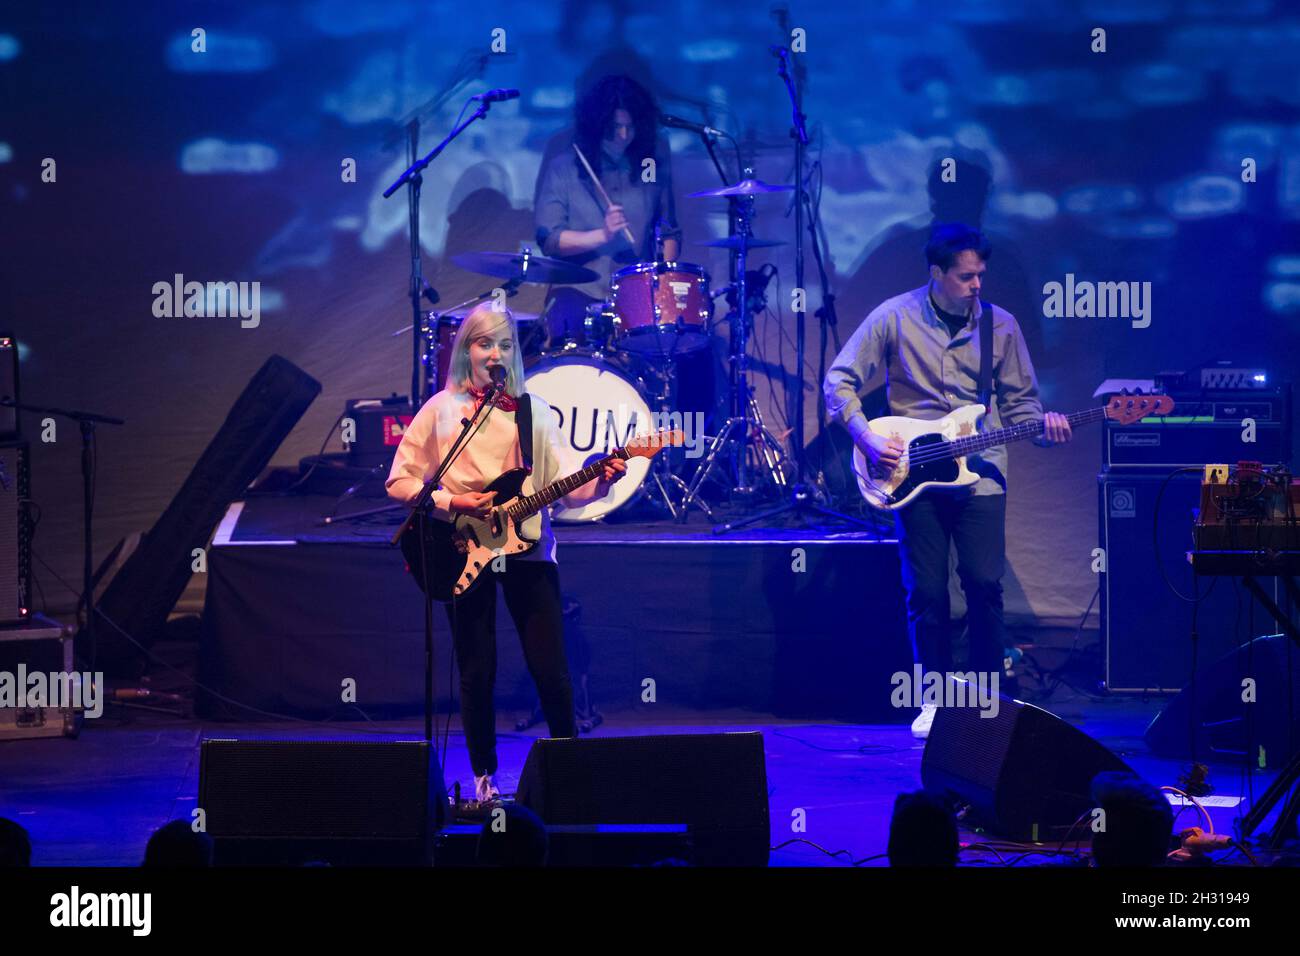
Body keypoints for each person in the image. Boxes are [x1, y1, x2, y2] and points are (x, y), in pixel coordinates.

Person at [824, 223, 1072, 740]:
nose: (977, 285)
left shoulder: (1000, 327)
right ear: (936, 274)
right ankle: (934, 699)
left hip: (980, 470)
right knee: (929, 594)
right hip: (911, 474)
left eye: (980, 275)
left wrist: (1046, 429)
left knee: (984, 585)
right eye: (965, 277)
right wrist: (867, 438)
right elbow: (838, 380)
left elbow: (1023, 406)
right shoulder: (893, 316)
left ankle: (987, 702)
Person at [386, 303, 626, 802]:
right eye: (484, 344)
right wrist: (454, 501)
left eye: (505, 344)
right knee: (477, 669)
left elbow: (564, 487)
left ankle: (567, 772)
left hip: (528, 549)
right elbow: (400, 481)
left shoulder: (533, 411)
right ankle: (484, 782)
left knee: (551, 668)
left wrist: (599, 486)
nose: (495, 354)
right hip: (460, 546)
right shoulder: (440, 410)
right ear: (467, 352)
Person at [533, 73, 680, 345]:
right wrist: (601, 235)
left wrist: (663, 282)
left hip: (635, 295)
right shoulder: (564, 168)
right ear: (597, 126)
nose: (623, 135)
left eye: (630, 127)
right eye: (615, 128)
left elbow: (669, 232)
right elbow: (549, 239)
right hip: (577, 291)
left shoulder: (650, 169)